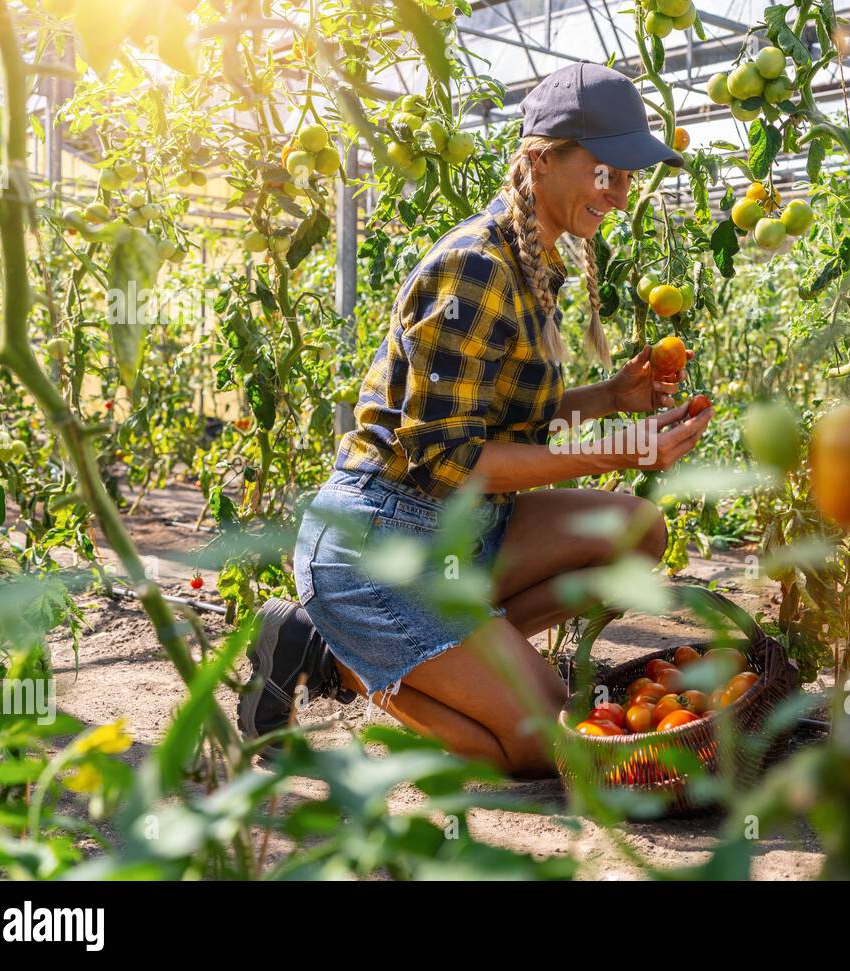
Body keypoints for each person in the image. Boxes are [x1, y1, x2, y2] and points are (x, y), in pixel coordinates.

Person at [238, 62, 714, 778]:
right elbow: (452, 458)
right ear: (544, 158)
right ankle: (355, 662)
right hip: (382, 543)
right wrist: (616, 452)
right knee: (542, 746)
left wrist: (608, 399)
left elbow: (501, 412)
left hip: (467, 531)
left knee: (637, 532)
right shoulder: (475, 267)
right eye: (605, 170)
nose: (617, 194)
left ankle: (398, 649)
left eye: (627, 177)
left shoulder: (533, 262)